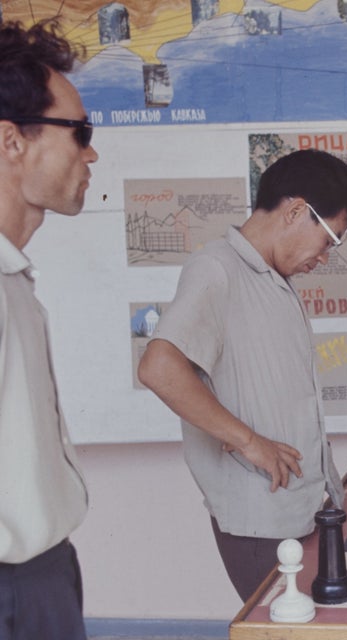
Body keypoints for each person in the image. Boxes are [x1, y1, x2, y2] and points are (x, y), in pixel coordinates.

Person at [138, 149, 347, 602]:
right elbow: (159, 367)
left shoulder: (271, 278)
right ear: (296, 211)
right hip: (259, 515)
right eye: (329, 240)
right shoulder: (217, 268)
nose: (325, 257)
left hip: (297, 507)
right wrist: (248, 440)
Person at [0, 19, 98, 640]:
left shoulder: (14, 281)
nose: (89, 153)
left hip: (43, 574)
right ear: (11, 141)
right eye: (78, 131)